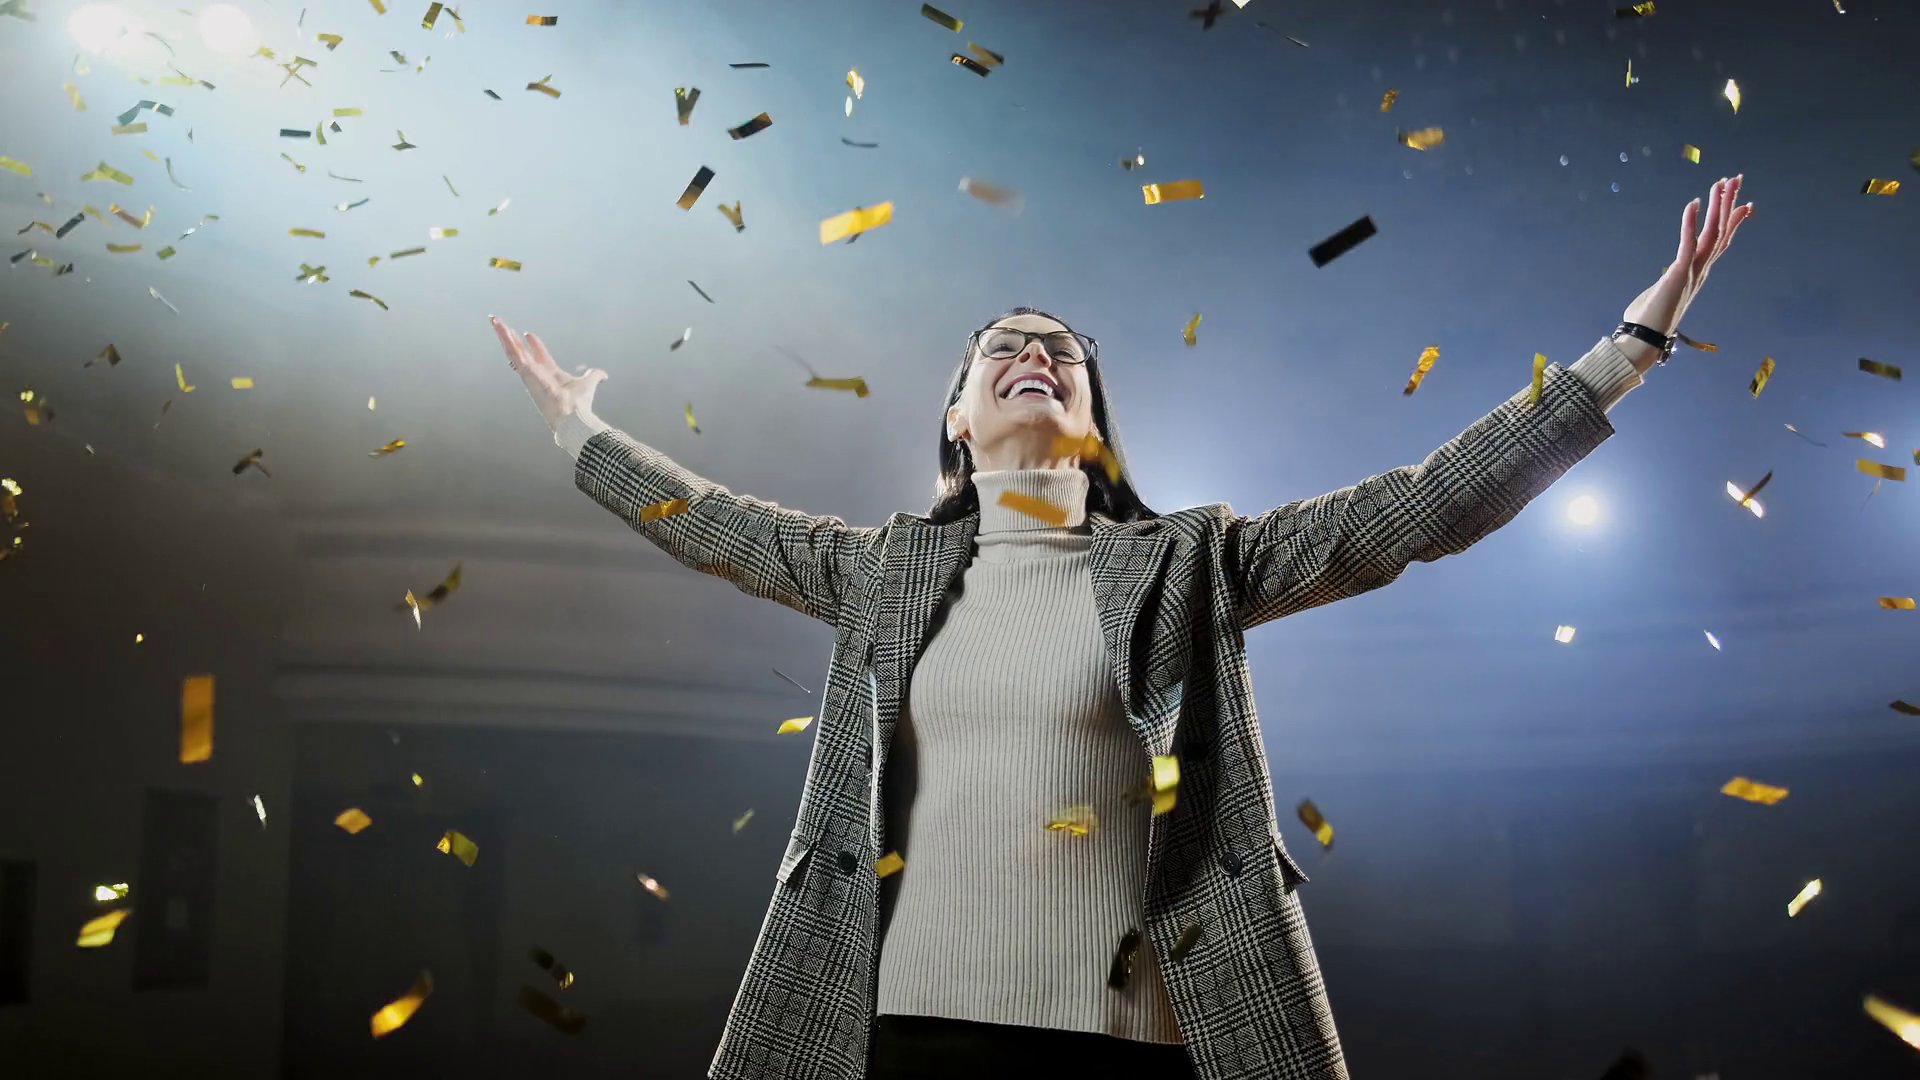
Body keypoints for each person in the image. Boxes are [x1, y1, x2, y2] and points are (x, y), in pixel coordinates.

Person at [490, 177, 1753, 1080]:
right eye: (1003, 347)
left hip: (1135, 1040)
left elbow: (1419, 509)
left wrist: (1631, 347)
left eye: (1062, 352)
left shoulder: (1193, 563)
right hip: (906, 1033)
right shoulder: (878, 573)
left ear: (1092, 417)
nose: (1035, 353)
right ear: (957, 418)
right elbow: (709, 524)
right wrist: (576, 430)